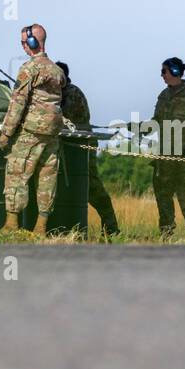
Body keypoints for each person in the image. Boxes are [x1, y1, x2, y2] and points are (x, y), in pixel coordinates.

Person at [0, 24, 66, 235]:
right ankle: (41, 227)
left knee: (16, 174)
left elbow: (18, 102)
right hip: (52, 134)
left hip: (31, 132)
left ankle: (11, 225)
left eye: (23, 42)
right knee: (47, 179)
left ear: (32, 42)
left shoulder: (29, 68)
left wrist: (6, 132)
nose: (22, 47)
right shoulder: (57, 70)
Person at [142, 57, 185, 240]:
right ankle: (166, 235)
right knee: (162, 196)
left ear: (175, 72)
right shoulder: (163, 95)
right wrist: (137, 128)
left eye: (164, 71)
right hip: (165, 157)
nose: (161, 75)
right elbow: (156, 123)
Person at [56, 61, 120, 237]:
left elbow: (62, 119)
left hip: (81, 148)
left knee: (92, 187)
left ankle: (112, 228)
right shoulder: (59, 93)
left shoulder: (72, 93)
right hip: (69, 146)